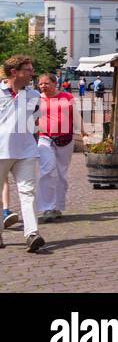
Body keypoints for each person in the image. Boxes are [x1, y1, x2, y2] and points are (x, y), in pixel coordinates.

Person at [0, 55, 45, 252]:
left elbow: (33, 120)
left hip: (26, 150)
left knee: (28, 192)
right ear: (14, 72)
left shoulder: (34, 95)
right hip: (1, 150)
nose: (31, 73)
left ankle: (32, 234)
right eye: (27, 70)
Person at [35, 73, 81, 223]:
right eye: (40, 83)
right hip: (44, 137)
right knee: (47, 170)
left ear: (55, 83)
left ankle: (58, 206)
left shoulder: (66, 97)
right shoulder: (36, 99)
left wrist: (84, 131)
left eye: (46, 83)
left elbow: (75, 116)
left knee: (61, 172)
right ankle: (47, 207)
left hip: (65, 138)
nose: (43, 86)